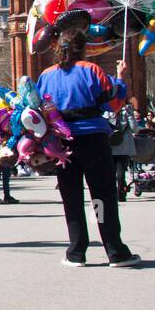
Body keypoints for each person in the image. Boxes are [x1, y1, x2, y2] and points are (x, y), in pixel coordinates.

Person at [36, 30, 139, 267]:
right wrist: (121, 78)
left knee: (71, 197)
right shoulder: (92, 70)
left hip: (62, 143)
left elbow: (40, 108)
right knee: (101, 197)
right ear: (83, 48)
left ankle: (76, 251)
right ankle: (114, 250)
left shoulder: (46, 75)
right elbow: (113, 104)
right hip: (93, 138)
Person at [110, 102, 137, 200]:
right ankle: (120, 193)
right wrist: (130, 116)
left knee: (110, 172)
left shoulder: (105, 108)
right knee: (121, 171)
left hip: (108, 144)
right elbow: (135, 129)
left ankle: (112, 194)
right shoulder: (128, 110)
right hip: (124, 146)